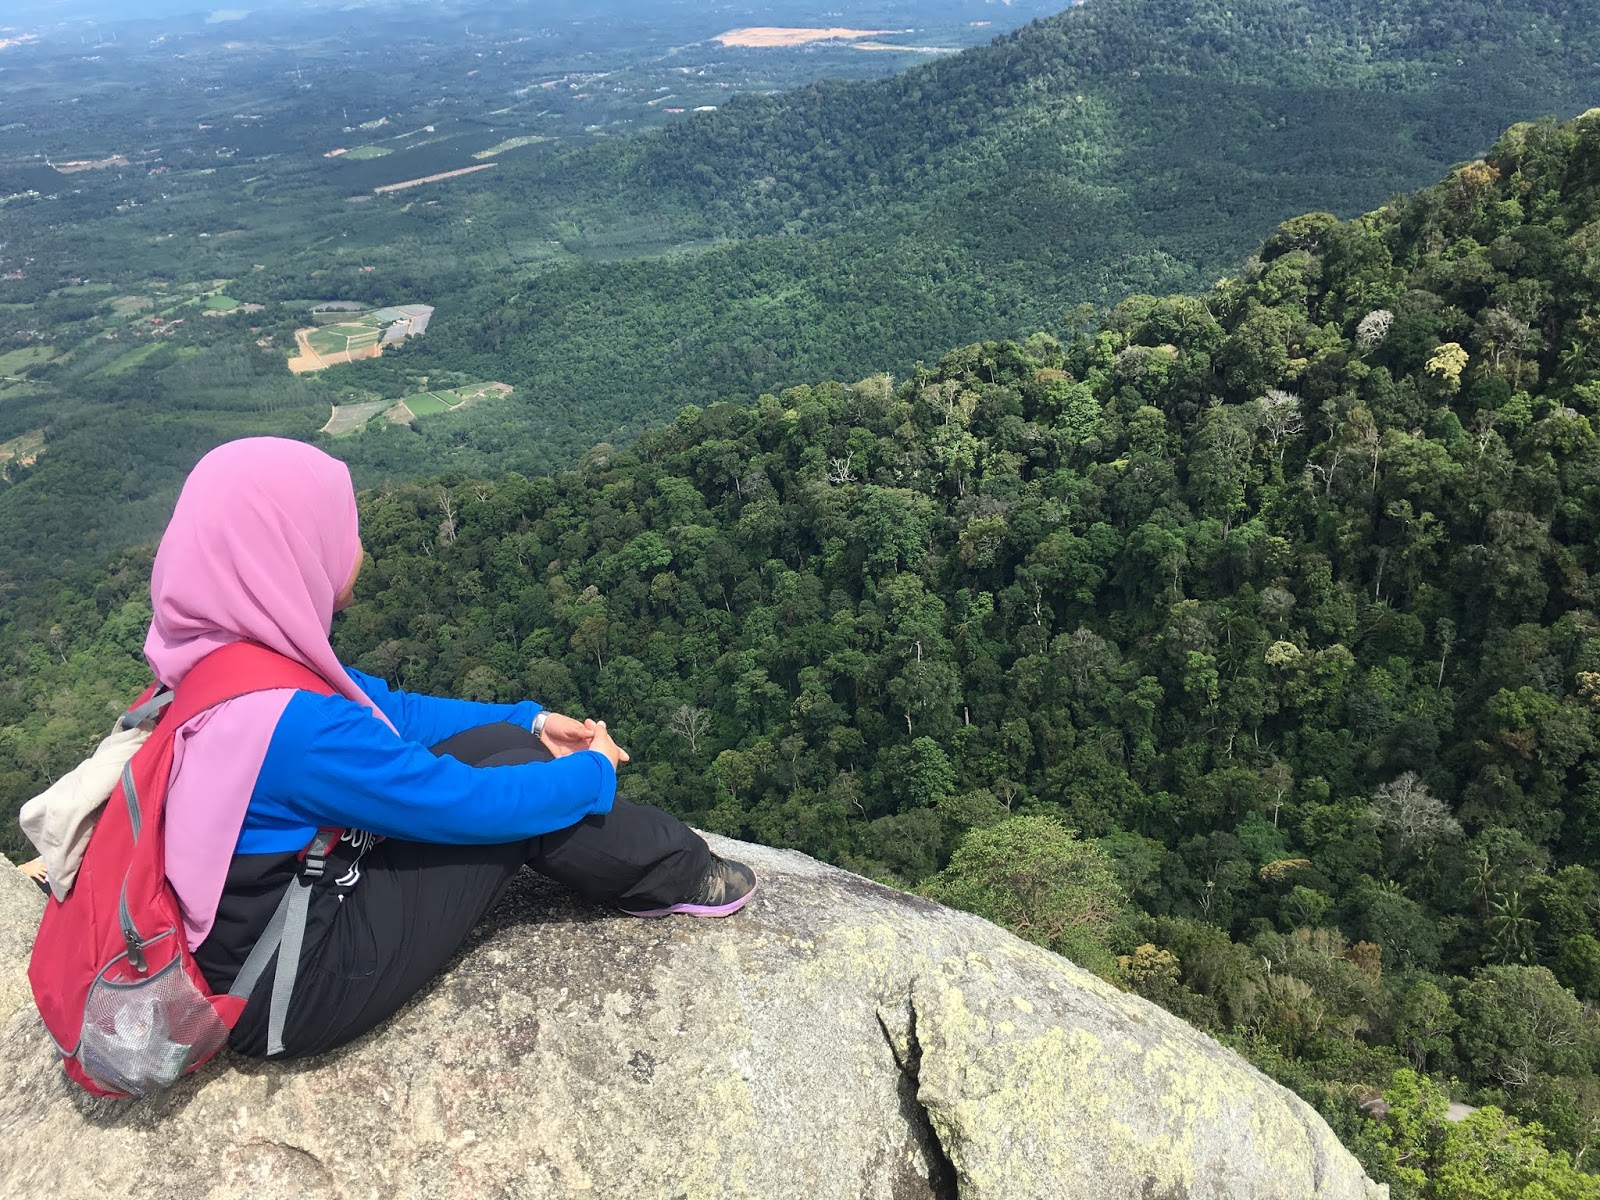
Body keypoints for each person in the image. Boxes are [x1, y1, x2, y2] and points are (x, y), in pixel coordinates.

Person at [147, 437, 756, 1060]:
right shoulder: (291, 728)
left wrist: (532, 718)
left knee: (509, 742)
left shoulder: (222, 662)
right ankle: (681, 870)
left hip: (287, 915)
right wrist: (590, 772)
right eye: (336, 528)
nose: (357, 547)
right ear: (288, 549)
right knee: (518, 782)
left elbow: (394, 713)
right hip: (291, 988)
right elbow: (463, 805)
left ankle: (659, 858)